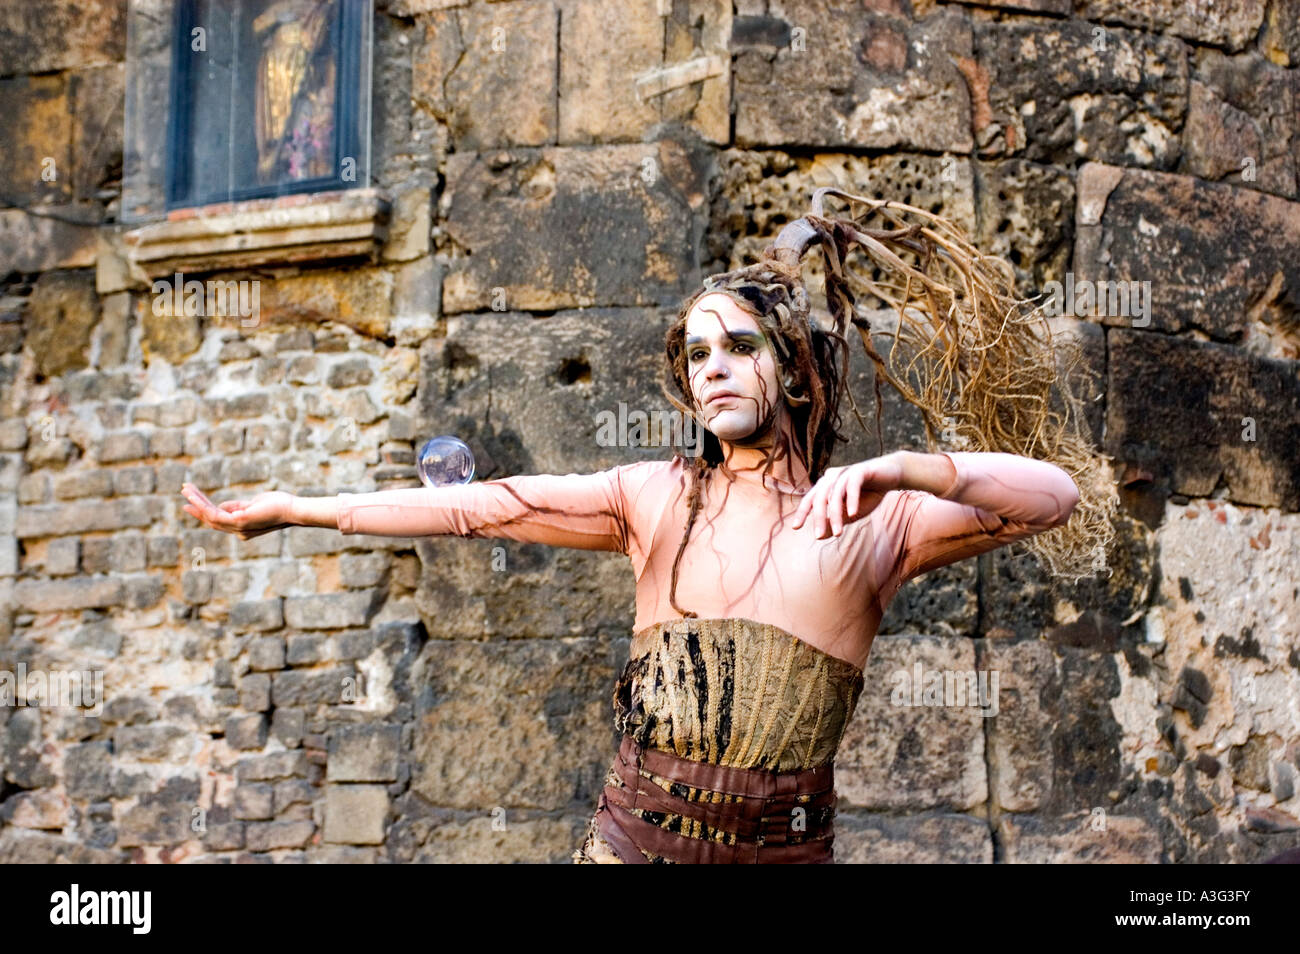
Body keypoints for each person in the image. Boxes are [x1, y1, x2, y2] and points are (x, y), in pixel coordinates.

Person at [180, 190, 1102, 863]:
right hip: (632, 846)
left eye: (741, 347)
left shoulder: (877, 520)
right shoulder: (655, 497)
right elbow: (477, 506)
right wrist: (298, 509)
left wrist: (903, 467)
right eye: (697, 353)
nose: (715, 369)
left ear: (791, 371)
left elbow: (1053, 495)